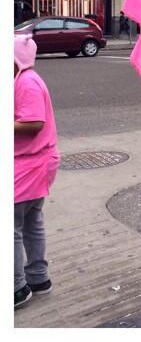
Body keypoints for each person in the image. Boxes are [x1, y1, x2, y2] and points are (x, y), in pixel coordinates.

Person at [14, 35, 60, 309]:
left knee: (12, 226)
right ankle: (38, 278)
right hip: (33, 163)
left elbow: (33, 122)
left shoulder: (27, 82)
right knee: (31, 220)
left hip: (30, 163)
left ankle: (16, 287)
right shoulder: (20, 79)